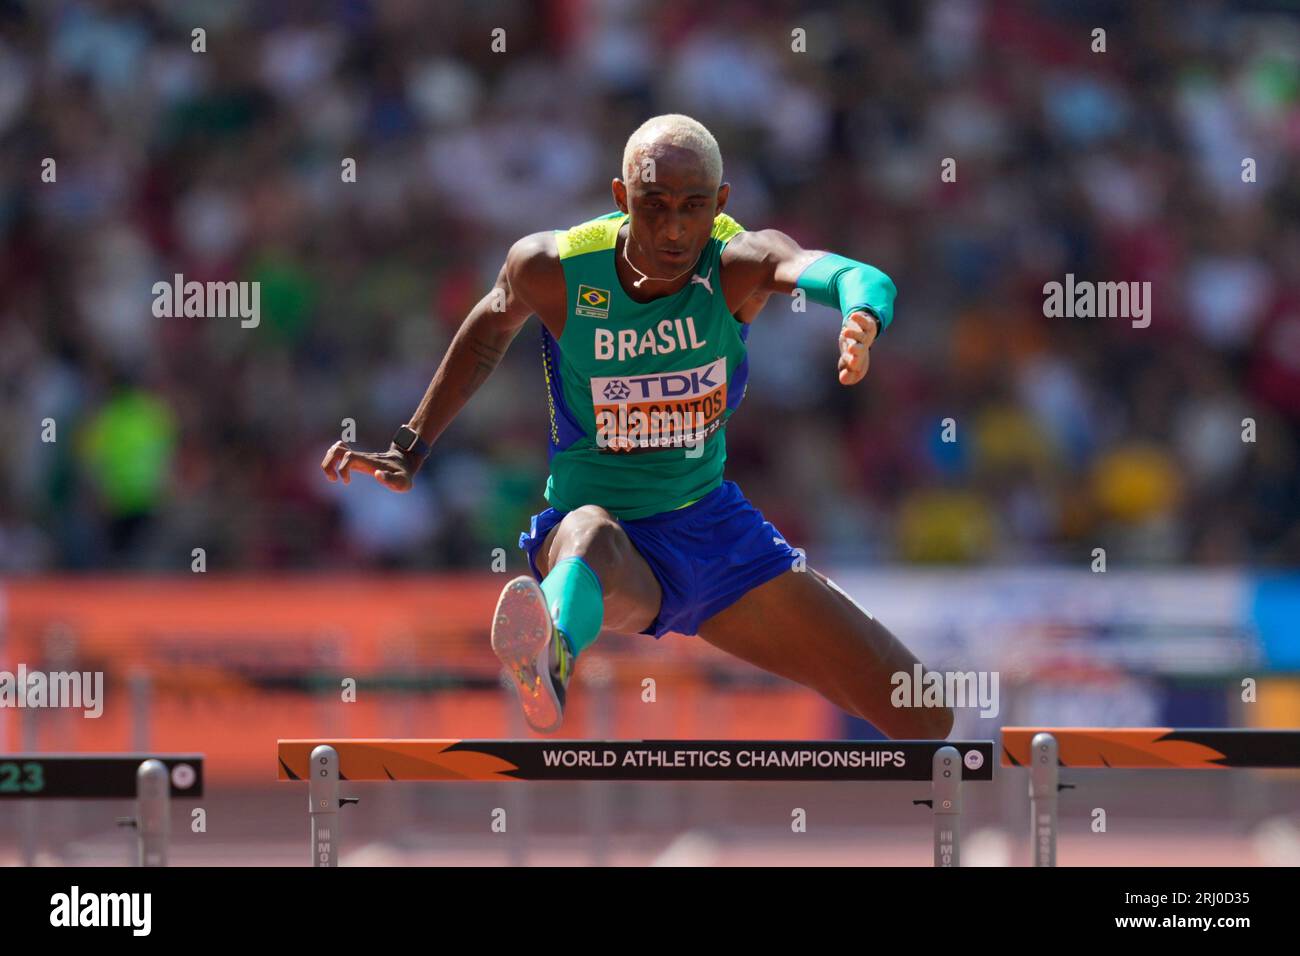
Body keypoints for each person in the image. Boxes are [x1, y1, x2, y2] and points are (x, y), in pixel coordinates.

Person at [322, 114, 954, 740]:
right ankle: (551, 649)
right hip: (604, 545)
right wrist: (412, 445)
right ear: (621, 198)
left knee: (923, 710)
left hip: (715, 534)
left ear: (720, 204)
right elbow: (488, 331)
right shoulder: (555, 267)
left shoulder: (738, 261)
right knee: (590, 534)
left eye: (693, 207)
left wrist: (860, 315)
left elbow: (853, 275)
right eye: (654, 205)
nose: (675, 228)